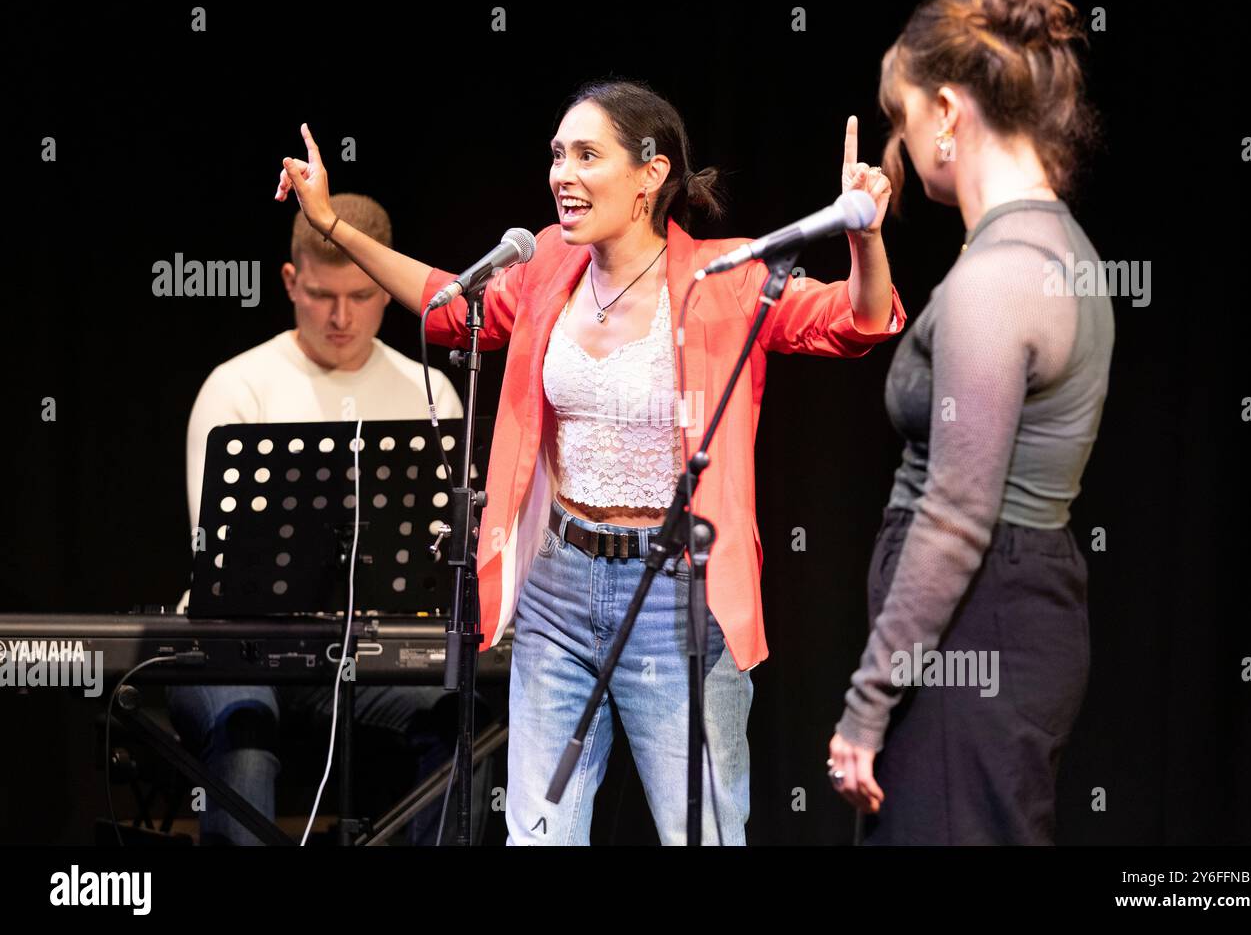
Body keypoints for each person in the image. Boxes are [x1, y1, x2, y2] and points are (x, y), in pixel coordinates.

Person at [275, 79, 906, 844]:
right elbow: (452, 305)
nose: (562, 175)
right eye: (557, 156)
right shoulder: (546, 264)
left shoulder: (727, 276)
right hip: (559, 591)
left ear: (651, 173)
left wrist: (863, 237)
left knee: (702, 834)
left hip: (678, 602)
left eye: (586, 155)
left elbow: (859, 322)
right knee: (538, 835)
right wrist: (333, 224)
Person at [827, 0, 1112, 844]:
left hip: (969, 636)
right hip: (999, 622)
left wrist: (867, 704)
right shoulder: (1047, 248)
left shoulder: (1001, 276)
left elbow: (954, 516)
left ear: (947, 111)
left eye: (902, 114)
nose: (900, 142)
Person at [170, 193, 488, 845]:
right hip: (237, 652)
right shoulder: (239, 385)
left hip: (360, 656)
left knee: (467, 724)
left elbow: (451, 546)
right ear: (291, 281)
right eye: (321, 295)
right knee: (246, 736)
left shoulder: (428, 391)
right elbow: (219, 555)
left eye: (364, 296)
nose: (342, 316)